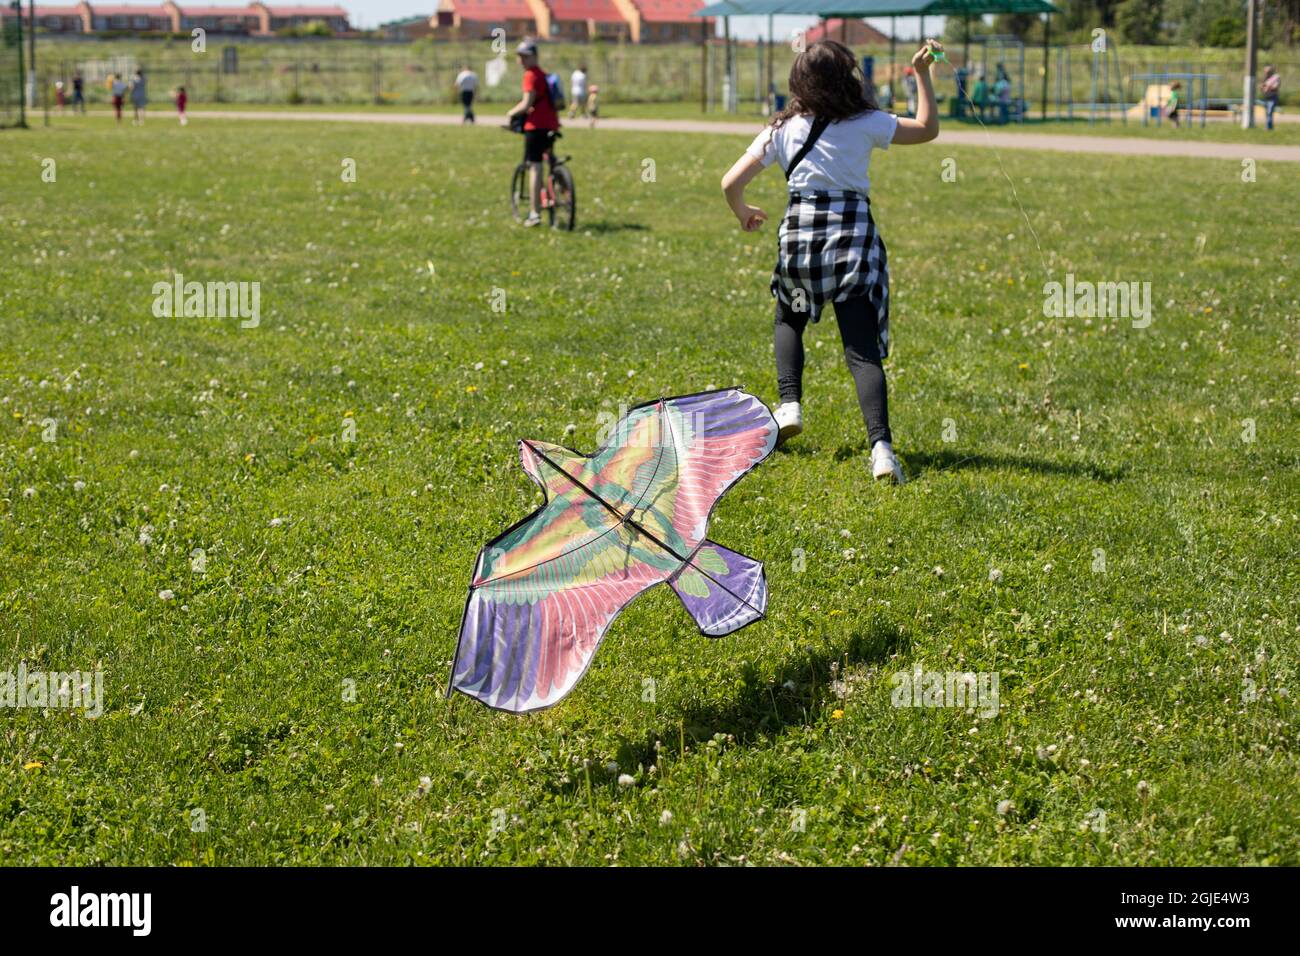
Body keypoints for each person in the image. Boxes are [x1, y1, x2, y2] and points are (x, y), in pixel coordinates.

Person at [720, 39, 944, 483]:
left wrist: (744, 212)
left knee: (789, 319)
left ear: (798, 81)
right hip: (852, 242)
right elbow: (926, 128)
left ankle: (789, 406)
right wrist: (921, 74)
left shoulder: (781, 128)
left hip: (802, 243)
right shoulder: (867, 122)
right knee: (861, 352)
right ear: (849, 77)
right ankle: (881, 450)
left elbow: (730, 182)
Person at [505, 39, 560, 228]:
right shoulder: (544, 75)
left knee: (535, 167)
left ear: (534, 57)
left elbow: (527, 104)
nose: (522, 60)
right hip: (552, 124)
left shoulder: (530, 76)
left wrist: (510, 113)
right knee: (548, 159)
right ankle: (551, 193)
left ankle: (535, 213)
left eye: (525, 57)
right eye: (520, 57)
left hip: (536, 126)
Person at [1261, 66, 1281, 131]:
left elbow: (1276, 87)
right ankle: (1270, 127)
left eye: (1268, 72)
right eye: (1265, 72)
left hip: (1272, 97)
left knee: (1269, 112)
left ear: (1271, 72)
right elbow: (1262, 87)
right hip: (1266, 97)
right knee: (1267, 113)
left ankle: (1268, 127)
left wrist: (1268, 87)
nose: (1266, 73)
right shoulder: (1266, 78)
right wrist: (1263, 88)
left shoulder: (1275, 78)